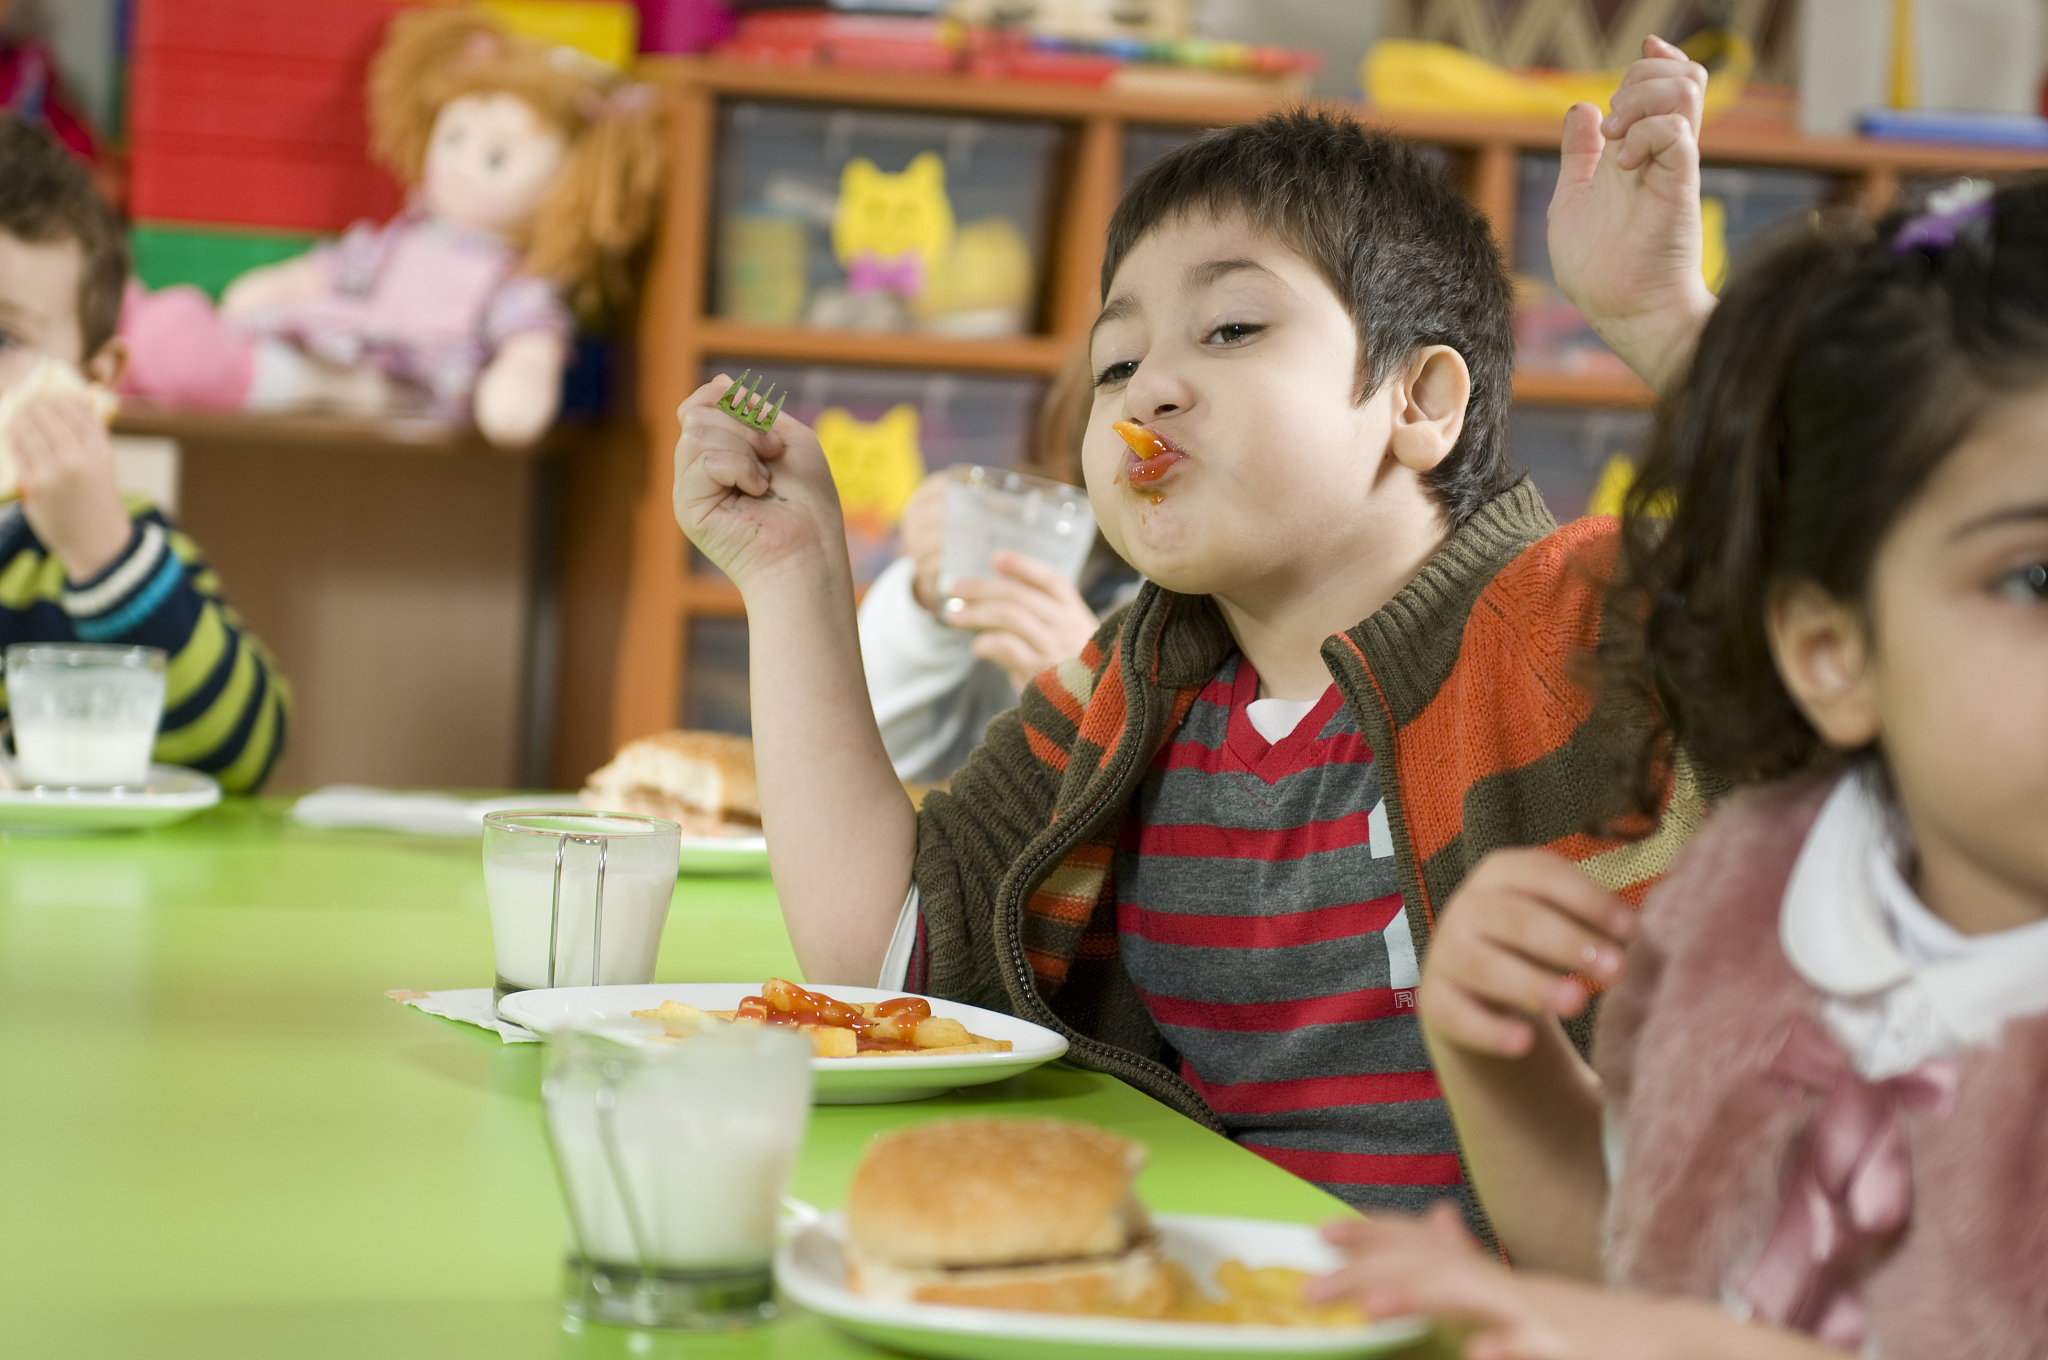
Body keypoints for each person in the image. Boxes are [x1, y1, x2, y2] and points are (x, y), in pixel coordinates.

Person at [670, 83, 1705, 1230]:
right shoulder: (1133, 681)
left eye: (1229, 330)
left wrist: (1661, 322)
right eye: (1115, 364)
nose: (1144, 394)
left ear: (1418, 400)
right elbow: (900, 954)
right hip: (1217, 1295)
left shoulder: (1575, 613)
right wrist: (790, 574)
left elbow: (1844, 564)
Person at [1310, 141, 2048, 1360]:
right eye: (2034, 576)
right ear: (1832, 654)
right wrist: (1496, 1057)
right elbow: (1646, 1257)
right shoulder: (1766, 891)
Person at [0, 117, 288, 792]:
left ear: (94, 380)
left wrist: (100, 551)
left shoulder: (123, 548)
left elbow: (243, 751)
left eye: (2, 338)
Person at [858, 349, 1142, 785]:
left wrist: (1096, 702)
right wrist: (924, 602)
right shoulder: (1072, 568)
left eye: (1233, 334)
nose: (1155, 392)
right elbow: (885, 767)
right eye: (1123, 368)